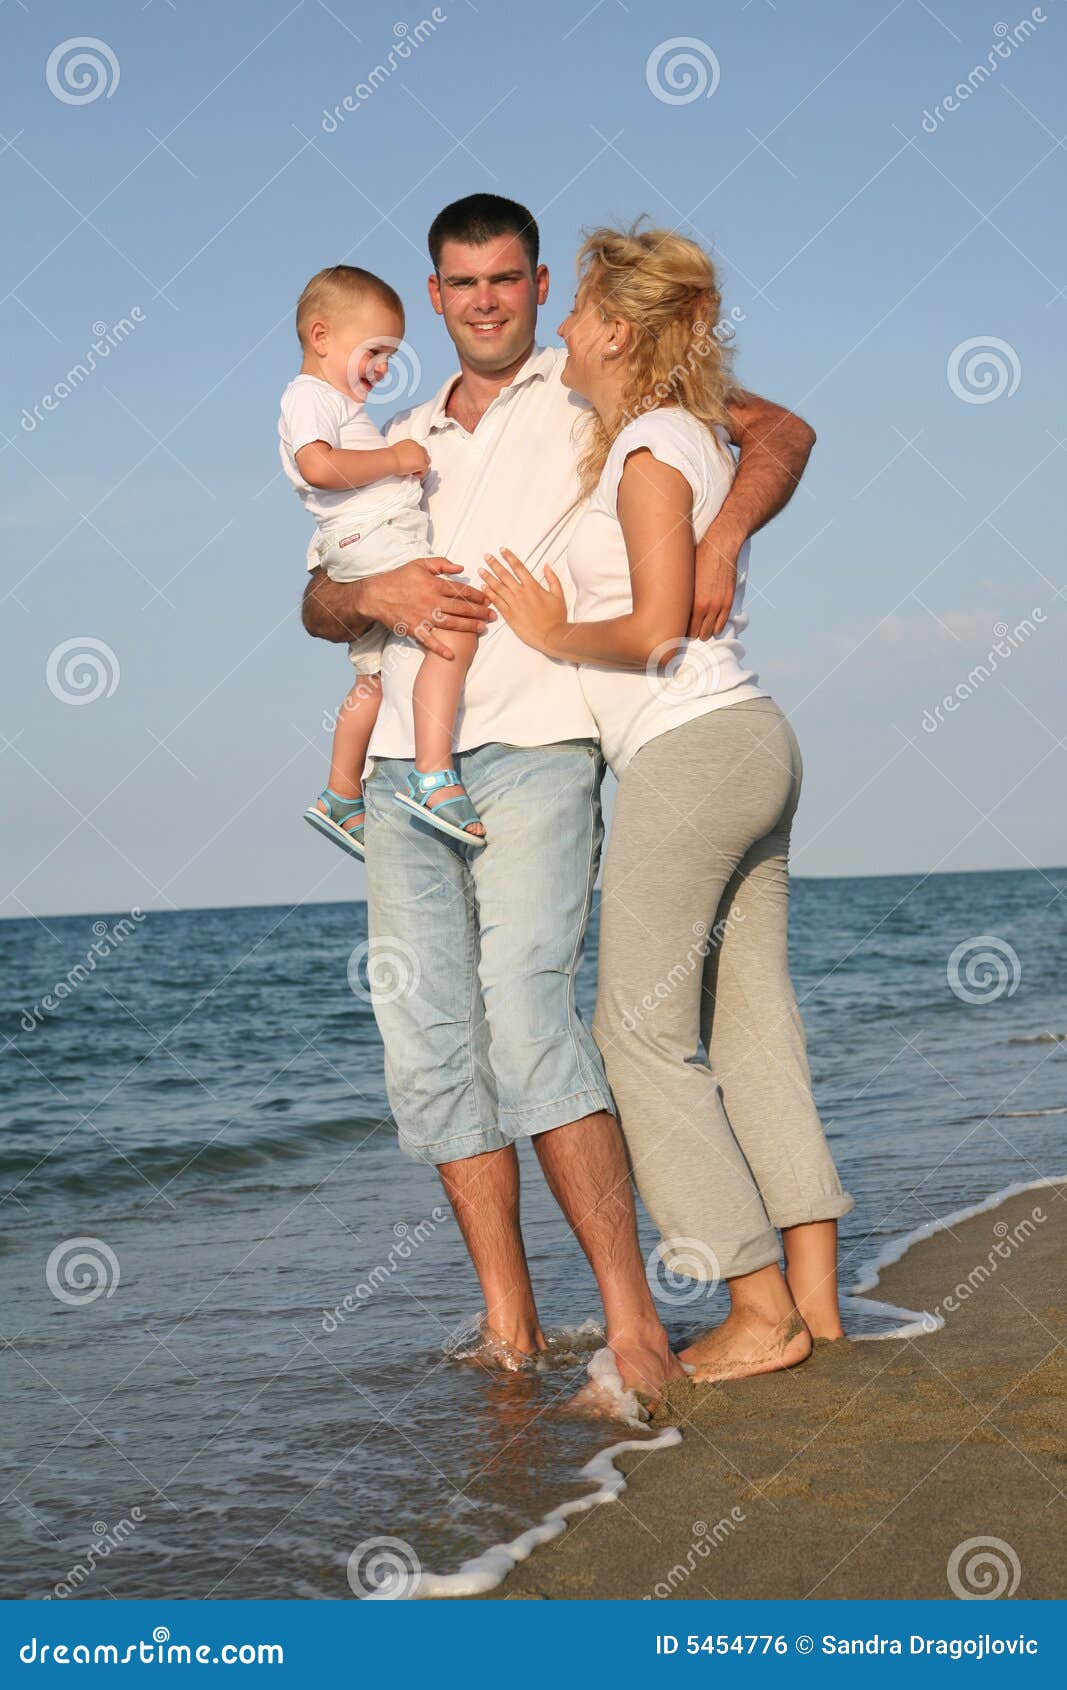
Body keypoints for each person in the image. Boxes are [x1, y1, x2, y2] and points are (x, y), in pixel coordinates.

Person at [301, 194, 817, 1399]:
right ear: (430, 298)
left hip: (539, 749)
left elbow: (778, 430)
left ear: (536, 287)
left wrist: (725, 537)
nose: (483, 299)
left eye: (505, 278)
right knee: (428, 1053)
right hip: (399, 777)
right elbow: (317, 602)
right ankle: (508, 1329)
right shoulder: (391, 435)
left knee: (534, 1021)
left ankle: (631, 1323)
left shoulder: (591, 381)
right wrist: (373, 601)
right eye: (459, 283)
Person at [481, 222, 853, 1383]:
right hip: (746, 741)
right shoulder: (674, 430)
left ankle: (749, 1304)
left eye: (581, 307)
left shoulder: (647, 446)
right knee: (748, 1025)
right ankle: (812, 1303)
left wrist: (550, 631)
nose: (564, 325)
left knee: (632, 1033)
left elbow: (648, 631)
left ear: (612, 330)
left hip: (688, 750)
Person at [280, 264, 485, 861]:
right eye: (374, 352)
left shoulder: (329, 399)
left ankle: (341, 795)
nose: (382, 369)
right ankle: (433, 773)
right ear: (321, 338)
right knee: (453, 627)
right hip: (372, 537)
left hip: (357, 543)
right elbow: (318, 466)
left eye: (390, 356)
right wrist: (396, 458)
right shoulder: (309, 396)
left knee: (372, 676)